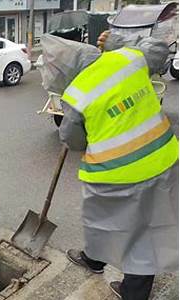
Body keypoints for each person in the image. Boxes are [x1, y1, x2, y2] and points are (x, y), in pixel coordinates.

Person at [60, 31, 179, 300]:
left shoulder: (77, 91)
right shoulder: (130, 60)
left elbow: (73, 140)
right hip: (165, 158)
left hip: (117, 174)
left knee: (110, 222)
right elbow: (159, 49)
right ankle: (95, 260)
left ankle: (130, 291)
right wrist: (120, 43)